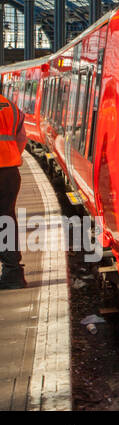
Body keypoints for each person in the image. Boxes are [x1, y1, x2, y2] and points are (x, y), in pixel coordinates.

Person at [0, 88, 28, 289]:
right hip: (9, 173)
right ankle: (13, 273)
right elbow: (22, 139)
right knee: (6, 219)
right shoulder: (10, 106)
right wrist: (10, 158)